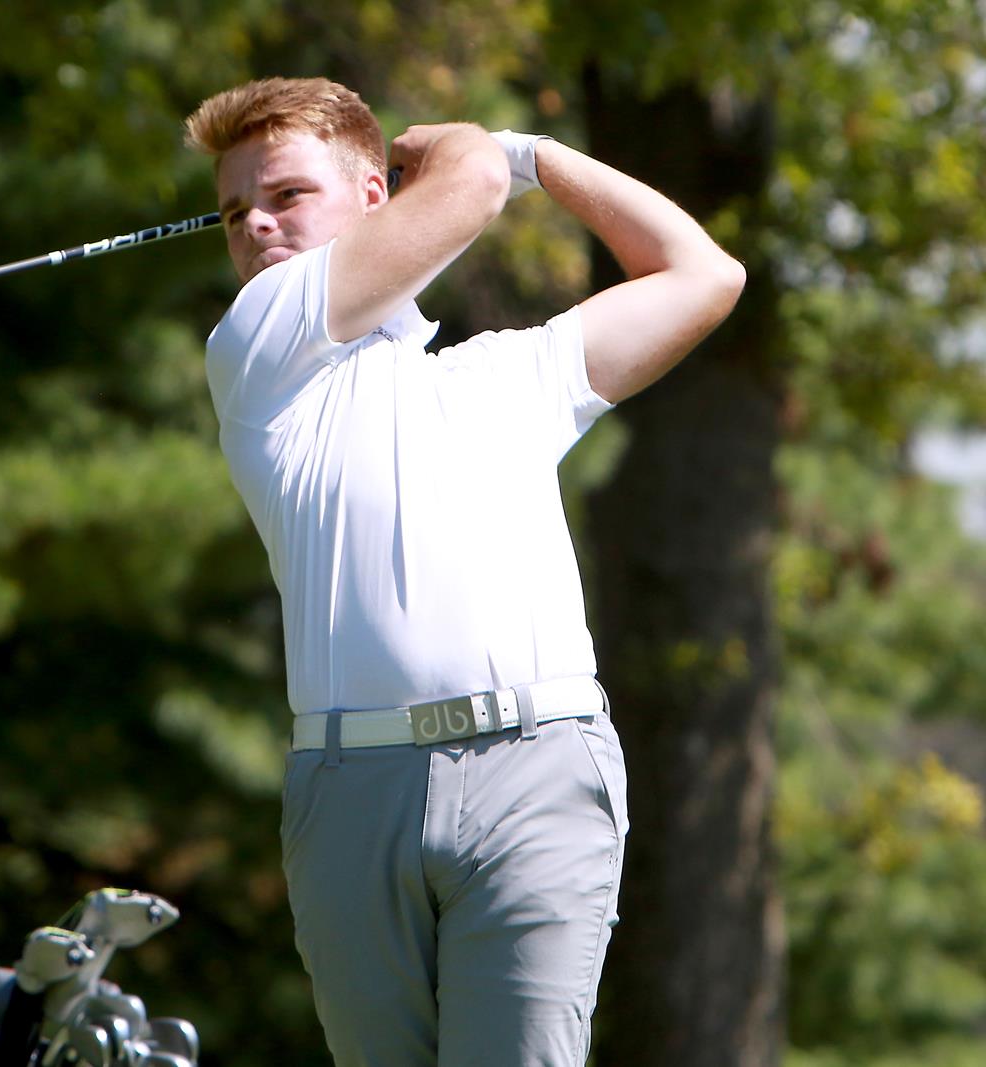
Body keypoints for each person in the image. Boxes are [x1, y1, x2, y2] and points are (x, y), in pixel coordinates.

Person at [182, 77, 744, 1067]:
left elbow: (704, 274)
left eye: (283, 196)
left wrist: (535, 155)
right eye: (234, 211)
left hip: (537, 767)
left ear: (371, 198)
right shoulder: (257, 348)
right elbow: (470, 178)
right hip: (352, 783)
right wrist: (490, 159)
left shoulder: (504, 374)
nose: (255, 225)